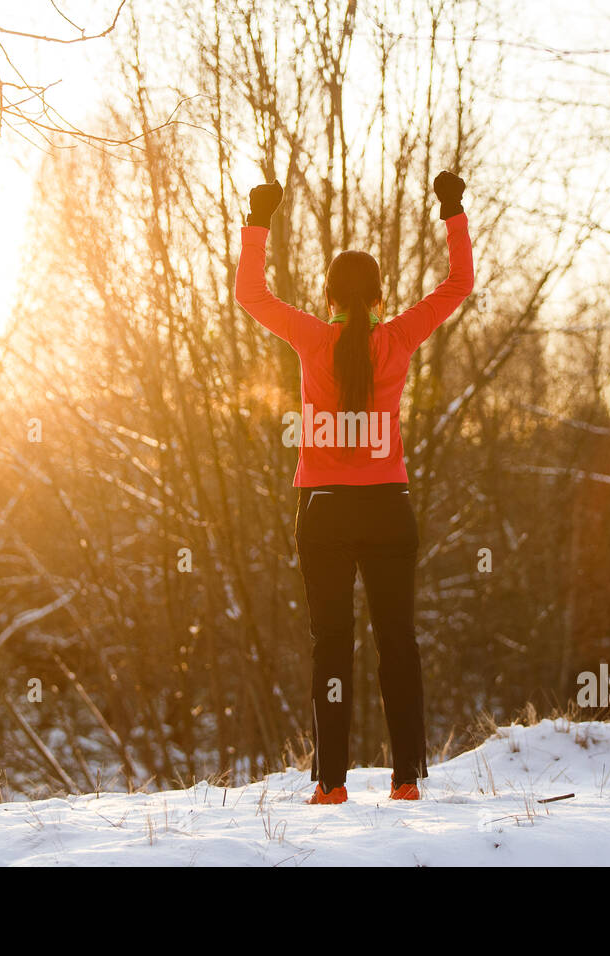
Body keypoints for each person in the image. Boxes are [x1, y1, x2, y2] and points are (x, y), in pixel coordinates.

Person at [234, 170, 474, 804]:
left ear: (328, 294)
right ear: (379, 293)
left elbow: (251, 294)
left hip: (326, 512)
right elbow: (458, 285)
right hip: (389, 510)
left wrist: (259, 219)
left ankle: (333, 785)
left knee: (331, 645)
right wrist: (452, 211)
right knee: (398, 641)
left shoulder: (313, 338)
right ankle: (406, 781)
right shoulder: (395, 338)